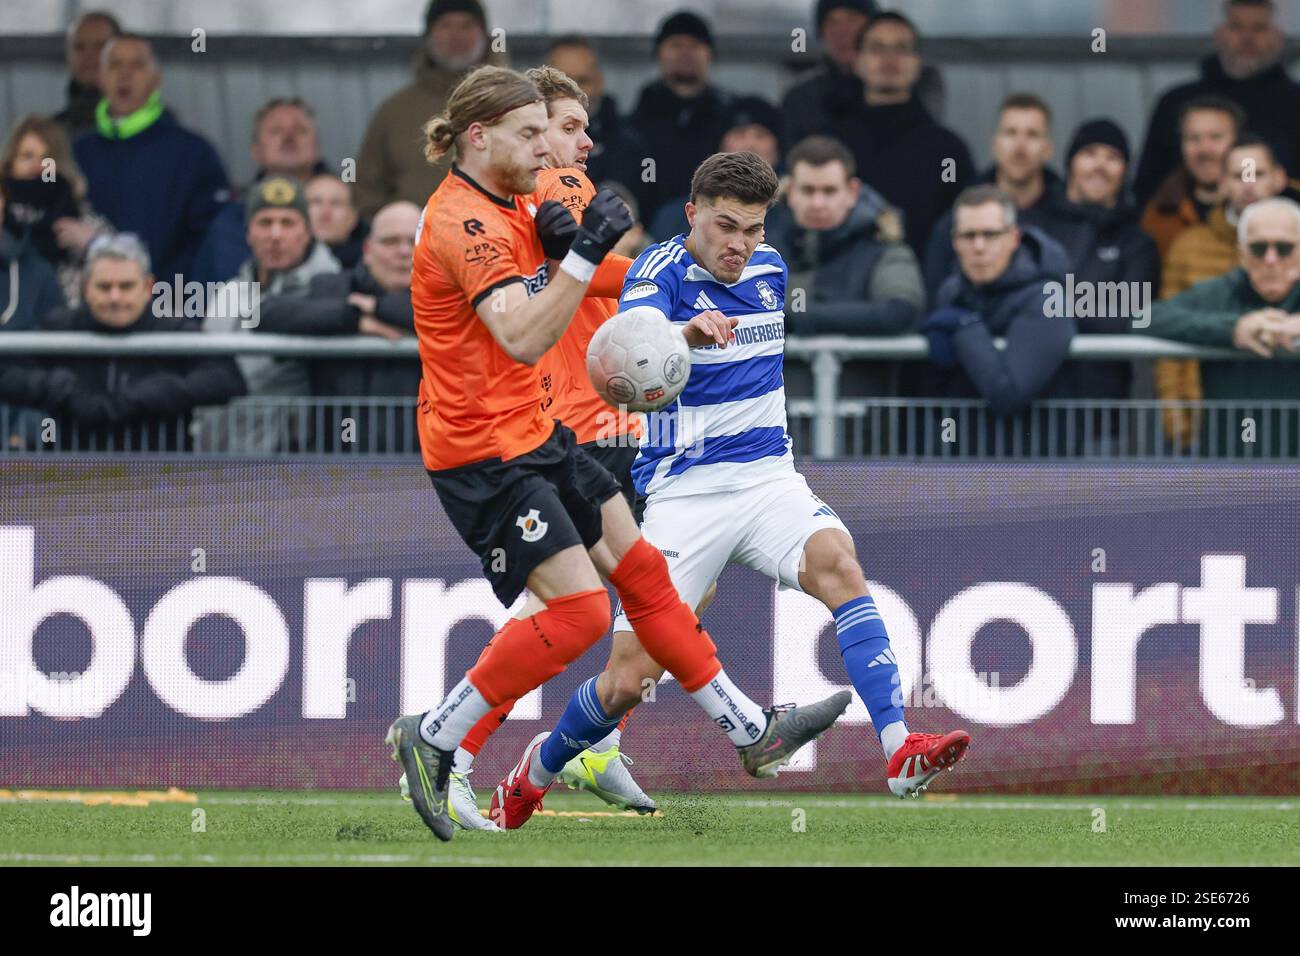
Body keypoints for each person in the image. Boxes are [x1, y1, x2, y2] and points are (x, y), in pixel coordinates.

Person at [386, 65, 848, 842]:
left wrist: (629, 271)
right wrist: (584, 254)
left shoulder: (521, 195)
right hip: (483, 453)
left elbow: (581, 266)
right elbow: (525, 332)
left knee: (644, 575)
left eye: (552, 130)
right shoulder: (459, 223)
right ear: (479, 136)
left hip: (540, 431)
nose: (552, 149)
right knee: (574, 615)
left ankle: (750, 731)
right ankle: (436, 737)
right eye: (535, 133)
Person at [504, 149, 968, 834]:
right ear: (692, 213)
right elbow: (622, 350)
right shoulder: (659, 272)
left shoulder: (772, 269)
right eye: (726, 227)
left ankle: (900, 749)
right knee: (628, 678)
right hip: (684, 492)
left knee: (840, 564)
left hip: (767, 477)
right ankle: (535, 771)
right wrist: (680, 337)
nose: (741, 245)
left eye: (753, 229)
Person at [0, 234, 244, 452]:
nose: (115, 297)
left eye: (126, 286)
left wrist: (158, 393)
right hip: (71, 478)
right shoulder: (60, 327)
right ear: (85, 289)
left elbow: (227, 378)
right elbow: (7, 372)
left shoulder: (174, 332)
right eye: (104, 287)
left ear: (148, 287)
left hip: (159, 480)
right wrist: (59, 389)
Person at [911, 185, 1075, 446]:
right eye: (969, 235)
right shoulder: (951, 291)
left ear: (1013, 238)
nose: (978, 247)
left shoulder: (1046, 298)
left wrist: (966, 328)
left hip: (1035, 463)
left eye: (990, 235)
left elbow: (1008, 394)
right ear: (955, 242)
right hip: (962, 457)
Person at [253, 200, 422, 453]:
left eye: (414, 242)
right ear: (367, 249)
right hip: (335, 465)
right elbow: (264, 313)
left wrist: (376, 307)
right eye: (390, 241)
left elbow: (458, 317)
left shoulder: (450, 297)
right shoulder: (333, 288)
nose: (403, 251)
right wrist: (354, 318)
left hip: (423, 468)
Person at [764, 135, 923, 399]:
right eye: (808, 190)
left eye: (829, 191)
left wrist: (793, 319)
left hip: (862, 426)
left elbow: (900, 310)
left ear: (852, 192)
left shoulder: (884, 250)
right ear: (789, 192)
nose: (818, 203)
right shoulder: (759, 250)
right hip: (773, 424)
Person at [1159, 133, 1288, 447]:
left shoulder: (1296, 242)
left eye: (1257, 173)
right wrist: (1177, 419)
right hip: (1211, 413)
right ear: (1221, 183)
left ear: (1279, 178)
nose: (1248, 184)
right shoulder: (1189, 246)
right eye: (1238, 175)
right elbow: (1156, 324)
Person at [195, 177, 340, 454]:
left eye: (287, 223)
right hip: (221, 449)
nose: (275, 234)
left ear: (308, 232)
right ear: (248, 233)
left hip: (297, 454)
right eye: (265, 223)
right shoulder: (228, 292)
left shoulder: (330, 287)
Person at [72, 34, 229, 284]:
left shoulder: (194, 153)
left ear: (156, 79)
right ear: (100, 78)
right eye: (115, 65)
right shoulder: (78, 151)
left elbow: (212, 237)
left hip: (169, 304)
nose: (125, 75)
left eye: (136, 65)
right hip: (94, 301)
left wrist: (177, 293)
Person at [1148, 196, 1300, 455]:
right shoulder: (1219, 293)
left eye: (1284, 248)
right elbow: (1145, 317)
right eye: (1259, 248)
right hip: (1230, 462)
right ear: (1242, 253)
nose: (1271, 260)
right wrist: (1232, 329)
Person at [820, 11, 975, 256]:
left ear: (918, 63)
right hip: (841, 286)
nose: (889, 58)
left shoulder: (949, 151)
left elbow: (964, 228)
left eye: (901, 48)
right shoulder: (828, 146)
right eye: (877, 48)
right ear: (857, 61)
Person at [1134, 0, 1300, 208]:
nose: (1247, 38)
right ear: (1219, 34)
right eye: (1236, 27)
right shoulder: (1175, 103)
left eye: (1259, 28)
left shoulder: (1295, 105)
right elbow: (1149, 184)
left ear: (1277, 37)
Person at [1049, 120, 1159, 421]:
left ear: (1125, 170)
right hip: (1034, 402)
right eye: (1089, 153)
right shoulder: (1037, 226)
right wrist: (1091, 305)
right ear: (1070, 162)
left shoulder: (1137, 242)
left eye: (1113, 157)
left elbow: (1130, 316)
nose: (1100, 165)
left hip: (1101, 408)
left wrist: (1055, 304)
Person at [354, 0, 501, 217]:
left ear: (484, 35)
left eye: (467, 25)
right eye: (446, 25)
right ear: (429, 36)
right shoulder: (394, 110)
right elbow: (366, 187)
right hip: (413, 244)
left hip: (501, 240)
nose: (456, 35)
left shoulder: (514, 102)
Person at [923, 93, 1065, 298]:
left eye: (1032, 134)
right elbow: (935, 300)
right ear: (994, 144)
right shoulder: (956, 221)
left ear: (1048, 149)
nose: (1020, 147)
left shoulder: (1071, 219)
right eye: (1010, 133)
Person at [192, 97, 334, 285]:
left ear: (317, 148)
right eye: (276, 131)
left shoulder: (344, 213)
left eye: (300, 130)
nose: (289, 137)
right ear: (255, 150)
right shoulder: (229, 224)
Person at [626, 11, 737, 227]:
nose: (685, 52)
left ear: (709, 54)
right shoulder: (635, 123)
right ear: (659, 53)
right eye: (676, 44)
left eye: (695, 45)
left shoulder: (731, 116)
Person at [1, 114, 111, 304]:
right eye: (27, 156)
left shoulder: (79, 215)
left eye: (47, 159)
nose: (37, 166)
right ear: (10, 164)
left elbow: (127, 261)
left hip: (67, 320)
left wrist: (93, 244)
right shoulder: (2, 215)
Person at [646, 95, 783, 241]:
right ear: (721, 146)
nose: (750, 144)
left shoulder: (797, 210)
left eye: (761, 135)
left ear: (777, 148)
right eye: (739, 135)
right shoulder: (674, 217)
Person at [1141, 96, 1244, 259]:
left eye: (1215, 137)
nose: (1204, 149)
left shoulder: (1266, 207)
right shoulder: (1159, 214)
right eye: (1193, 138)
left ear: (1238, 143)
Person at [543, 36, 635, 190]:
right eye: (562, 82)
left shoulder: (629, 145)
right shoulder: (522, 144)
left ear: (599, 82)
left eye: (582, 80)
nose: (573, 91)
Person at [53, 11, 122, 139]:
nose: (88, 55)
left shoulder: (151, 124)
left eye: (100, 46)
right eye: (79, 47)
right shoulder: (53, 132)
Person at [304, 173, 368, 269]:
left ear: (353, 218)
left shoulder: (370, 267)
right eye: (316, 202)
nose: (325, 212)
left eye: (336, 203)